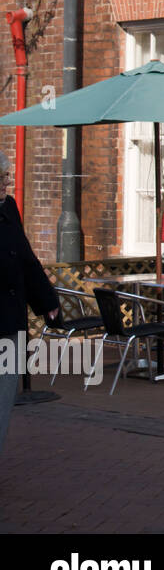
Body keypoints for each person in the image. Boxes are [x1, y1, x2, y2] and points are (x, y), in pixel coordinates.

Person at [0, 148, 61, 454]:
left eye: (7, 176)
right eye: (1, 178)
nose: (6, 184)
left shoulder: (9, 208)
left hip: (8, 321)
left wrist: (46, 299)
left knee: (2, 400)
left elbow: (25, 257)